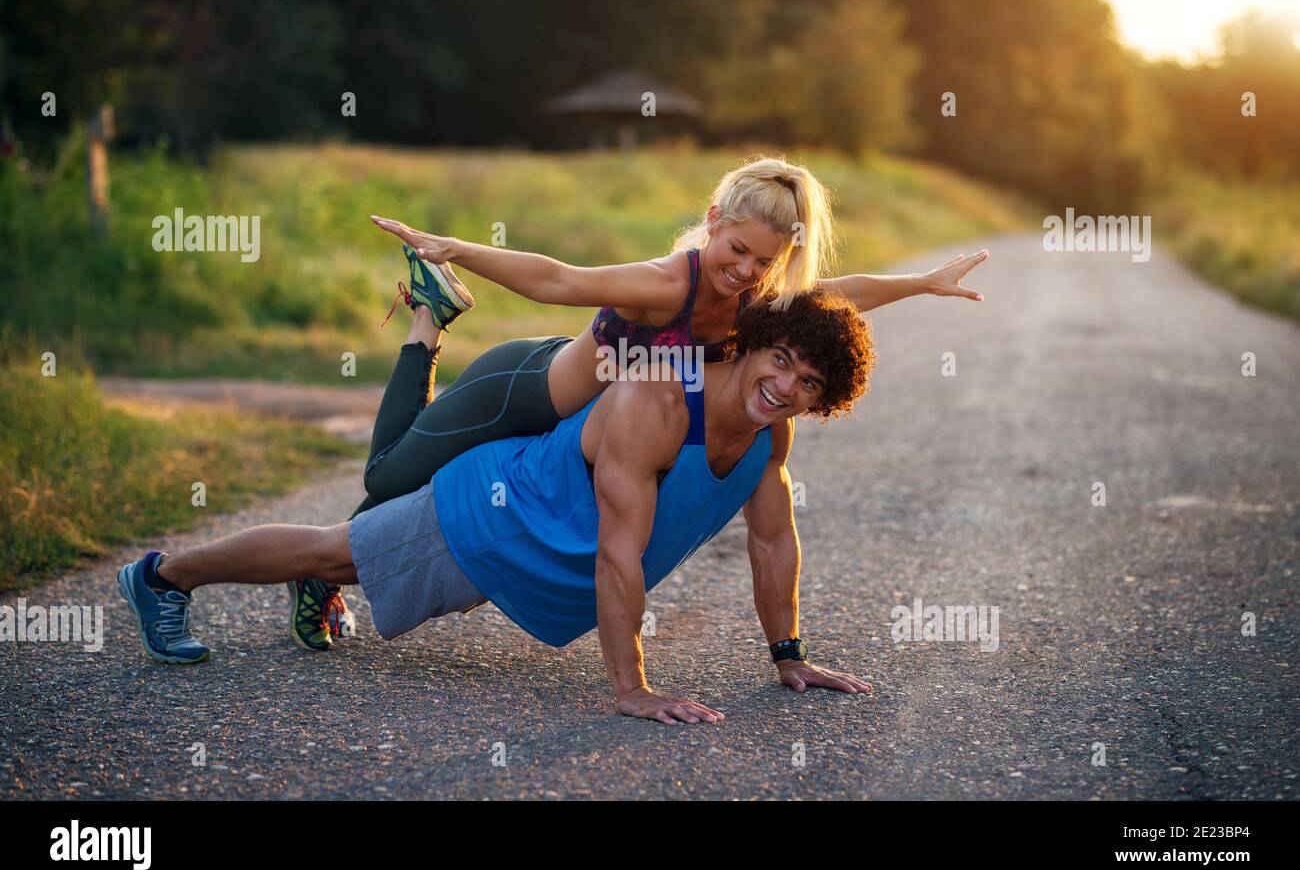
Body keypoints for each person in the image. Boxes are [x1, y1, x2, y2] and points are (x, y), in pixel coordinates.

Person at [288, 155, 987, 649]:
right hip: (525, 393)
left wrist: (925, 282)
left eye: (762, 263)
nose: (744, 270)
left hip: (573, 427)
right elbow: (560, 278)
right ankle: (427, 324)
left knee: (417, 497)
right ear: (714, 221)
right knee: (388, 478)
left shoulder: (754, 305)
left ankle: (320, 573)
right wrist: (457, 249)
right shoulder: (665, 283)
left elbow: (840, 293)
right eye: (736, 248)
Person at [119, 289, 875, 724]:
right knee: (332, 548)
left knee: (348, 556)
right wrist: (631, 688)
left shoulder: (767, 443)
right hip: (491, 514)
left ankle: (318, 583)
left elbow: (774, 545)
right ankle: (163, 576)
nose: (786, 386)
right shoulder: (659, 405)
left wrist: (790, 655)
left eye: (809, 382)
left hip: (533, 554)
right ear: (754, 345)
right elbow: (619, 550)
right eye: (781, 360)